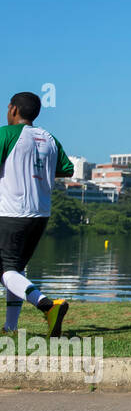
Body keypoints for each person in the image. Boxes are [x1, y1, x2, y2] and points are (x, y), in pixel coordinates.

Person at [0, 92, 72, 337]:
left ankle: (47, 305)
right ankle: (10, 327)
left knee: (5, 271)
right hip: (40, 214)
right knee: (15, 271)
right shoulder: (49, 138)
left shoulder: (5, 134)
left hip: (10, 212)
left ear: (13, 109)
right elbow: (67, 169)